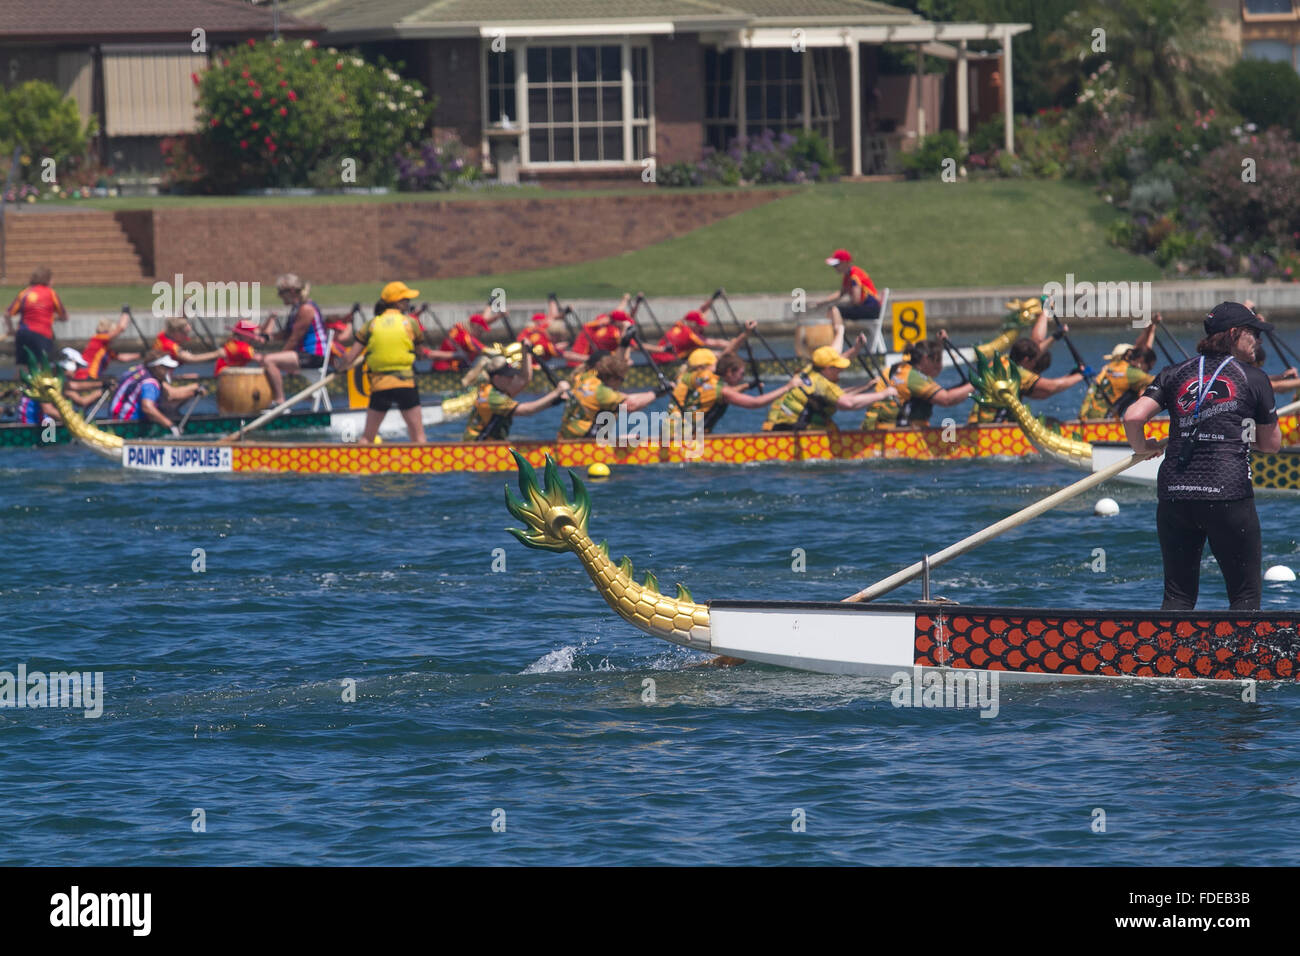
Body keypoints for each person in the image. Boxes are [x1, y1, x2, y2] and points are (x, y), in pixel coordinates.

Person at [1124, 302, 1281, 611]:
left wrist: (1142, 448)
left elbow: (1132, 417)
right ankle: (1239, 659)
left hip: (1174, 495)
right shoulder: (1254, 377)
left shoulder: (1173, 372)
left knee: (1178, 597)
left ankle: (1168, 657)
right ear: (1235, 334)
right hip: (1227, 493)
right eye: (1254, 334)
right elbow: (1271, 444)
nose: (1259, 341)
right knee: (1244, 598)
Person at [339, 281, 428, 443]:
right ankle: (423, 466)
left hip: (380, 386)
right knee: (418, 435)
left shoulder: (371, 325)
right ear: (397, 302)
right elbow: (421, 354)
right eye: (406, 300)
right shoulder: (411, 323)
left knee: (367, 437)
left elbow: (350, 357)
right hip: (405, 384)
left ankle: (359, 464)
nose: (409, 303)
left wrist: (339, 369)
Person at [763, 346, 898, 432]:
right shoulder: (823, 385)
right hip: (799, 432)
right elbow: (847, 403)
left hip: (782, 427)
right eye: (837, 368)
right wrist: (883, 394)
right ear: (827, 368)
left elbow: (835, 396)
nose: (840, 370)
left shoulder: (808, 371)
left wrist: (865, 387)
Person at [671, 348, 800, 434]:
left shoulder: (708, 382)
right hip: (688, 440)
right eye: (741, 374)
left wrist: (747, 386)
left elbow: (723, 393)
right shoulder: (722, 391)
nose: (742, 378)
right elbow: (755, 403)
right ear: (729, 372)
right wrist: (787, 387)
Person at [965, 336, 1087, 424]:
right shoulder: (1017, 372)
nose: (1034, 366)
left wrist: (1070, 375)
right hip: (995, 428)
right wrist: (1081, 375)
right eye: (1033, 362)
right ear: (1025, 360)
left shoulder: (1000, 361)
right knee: (1052, 423)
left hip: (975, 422)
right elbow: (1051, 387)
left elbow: (1041, 394)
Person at [860, 339, 974, 429]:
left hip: (878, 429)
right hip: (902, 435)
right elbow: (947, 399)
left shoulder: (898, 368)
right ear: (925, 359)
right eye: (938, 360)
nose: (940, 366)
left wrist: (941, 341)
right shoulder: (914, 378)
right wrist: (975, 384)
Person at [463, 352, 570, 441]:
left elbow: (525, 379)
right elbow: (527, 410)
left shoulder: (493, 388)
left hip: (486, 444)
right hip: (478, 445)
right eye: (509, 376)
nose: (513, 378)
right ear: (497, 378)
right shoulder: (493, 397)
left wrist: (526, 352)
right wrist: (557, 392)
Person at [798, 249, 880, 359]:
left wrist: (839, 307)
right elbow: (841, 293)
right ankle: (834, 341)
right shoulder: (848, 275)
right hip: (866, 308)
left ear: (845, 263)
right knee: (834, 309)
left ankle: (835, 345)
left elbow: (856, 300)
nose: (834, 268)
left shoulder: (854, 275)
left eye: (836, 265)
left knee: (835, 310)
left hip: (871, 309)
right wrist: (821, 303)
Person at [559, 352, 658, 439]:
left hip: (565, 437)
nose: (621, 383)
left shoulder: (583, 377)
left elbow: (625, 397)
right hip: (582, 442)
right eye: (621, 380)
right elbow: (631, 405)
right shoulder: (602, 392)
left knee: (613, 407)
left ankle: (610, 439)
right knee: (614, 409)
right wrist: (658, 392)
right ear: (612, 378)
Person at [258, 273, 331, 384]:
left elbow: (294, 339)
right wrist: (268, 337)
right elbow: (287, 333)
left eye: (281, 292)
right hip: (304, 354)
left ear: (292, 291)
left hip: (314, 356)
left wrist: (280, 356)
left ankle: (279, 399)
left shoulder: (306, 309)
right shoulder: (296, 308)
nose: (279, 295)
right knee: (266, 359)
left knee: (268, 360)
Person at [109, 355, 202, 434]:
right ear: (157, 367)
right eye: (167, 368)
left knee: (164, 406)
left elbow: (170, 395)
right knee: (163, 410)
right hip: (130, 427)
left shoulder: (138, 370)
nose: (170, 371)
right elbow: (147, 407)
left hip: (116, 420)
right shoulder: (150, 383)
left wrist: (193, 391)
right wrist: (170, 426)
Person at [4, 267, 67, 368]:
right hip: (42, 334)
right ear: (48, 280)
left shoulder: (24, 293)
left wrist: (11, 330)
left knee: (22, 366)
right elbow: (64, 316)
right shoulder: (51, 293)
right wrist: (53, 317)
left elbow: (7, 314)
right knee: (42, 366)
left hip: (23, 333)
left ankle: (17, 384)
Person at [214, 319, 288, 404]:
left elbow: (262, 332)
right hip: (228, 381)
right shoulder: (243, 348)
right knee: (269, 363)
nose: (255, 334)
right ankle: (278, 399)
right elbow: (262, 360)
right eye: (252, 333)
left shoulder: (233, 343)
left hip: (226, 380)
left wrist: (271, 319)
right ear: (245, 334)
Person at [650, 300, 735, 363]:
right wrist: (735, 343)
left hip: (655, 355)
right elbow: (717, 343)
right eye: (699, 325)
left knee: (699, 351)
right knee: (713, 354)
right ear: (693, 324)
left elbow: (702, 310)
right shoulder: (692, 336)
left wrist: (712, 299)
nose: (702, 328)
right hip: (666, 361)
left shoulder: (680, 324)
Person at [565, 293, 636, 366]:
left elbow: (615, 313)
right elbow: (626, 352)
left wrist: (625, 300)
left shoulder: (609, 328)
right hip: (581, 363)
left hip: (591, 362)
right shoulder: (609, 331)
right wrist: (625, 300)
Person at [154, 317, 222, 369]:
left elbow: (177, 321)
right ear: (176, 332)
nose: (186, 337)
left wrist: (184, 305)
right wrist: (217, 353)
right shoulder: (171, 347)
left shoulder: (162, 334)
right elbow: (192, 358)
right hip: (165, 372)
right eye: (185, 334)